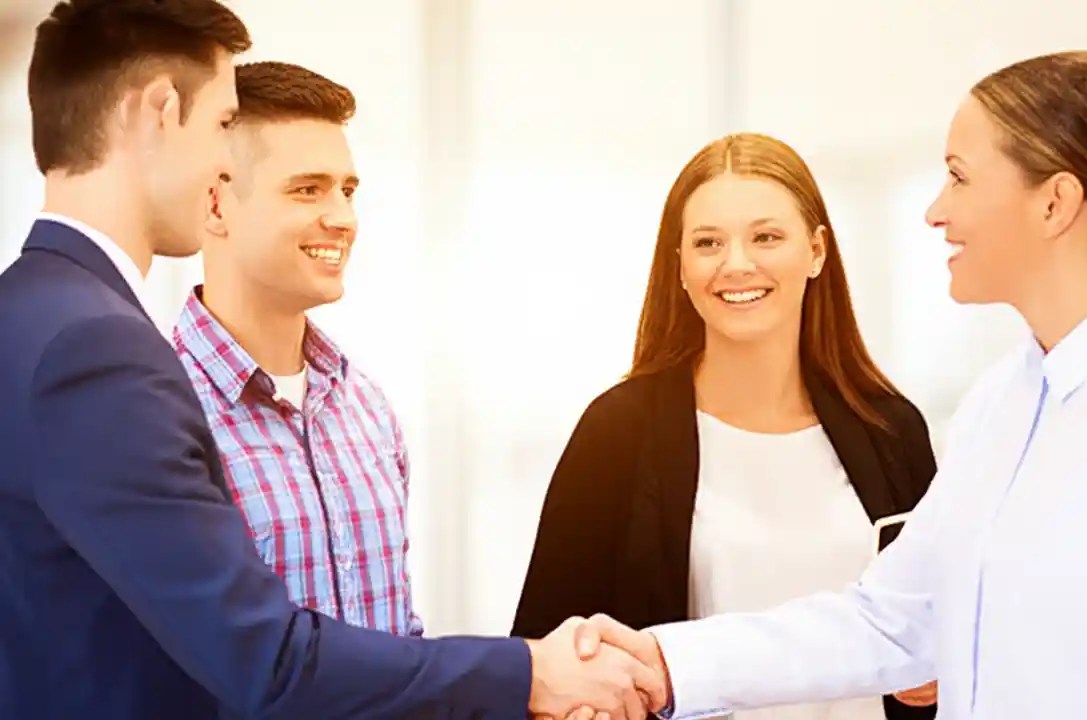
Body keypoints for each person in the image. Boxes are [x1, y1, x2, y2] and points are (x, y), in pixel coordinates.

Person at [0, 2, 664, 718]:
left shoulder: (32, 311)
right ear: (160, 110)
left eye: (346, 189)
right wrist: (530, 674)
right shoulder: (100, 352)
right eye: (224, 124)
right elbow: (265, 660)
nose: (224, 159)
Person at [571, 50, 1087, 720]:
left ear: (1055, 202)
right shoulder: (1000, 403)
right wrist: (667, 664)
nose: (936, 209)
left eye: (960, 176)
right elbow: (895, 619)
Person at [513, 132, 939, 720]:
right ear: (680, 265)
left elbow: (941, 627)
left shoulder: (892, 431)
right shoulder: (617, 432)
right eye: (708, 242)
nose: (737, 264)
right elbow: (544, 657)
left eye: (766, 237)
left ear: (816, 251)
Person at [173, 60, 423, 638]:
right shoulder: (155, 411)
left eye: (348, 190)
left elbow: (401, 638)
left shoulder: (367, 409)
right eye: (307, 190)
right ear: (215, 205)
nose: (343, 218)